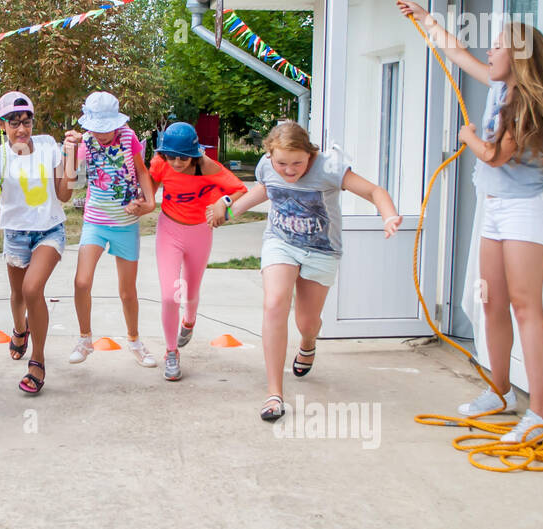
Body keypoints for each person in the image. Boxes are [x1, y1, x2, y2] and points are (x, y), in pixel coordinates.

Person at [397, 0, 543, 442]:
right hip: (495, 207)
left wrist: (466, 136)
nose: (489, 54)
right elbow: (459, 55)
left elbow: (495, 155)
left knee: (525, 306)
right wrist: (427, 21)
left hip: (524, 211)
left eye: (497, 48)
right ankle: (500, 391)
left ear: (517, 59)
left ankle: (541, 413)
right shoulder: (501, 89)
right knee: (490, 301)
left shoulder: (526, 105)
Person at [222, 120, 400, 422]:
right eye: (281, 163)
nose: (289, 171)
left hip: (321, 249)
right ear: (269, 155)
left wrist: (389, 215)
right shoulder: (267, 165)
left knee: (306, 321)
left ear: (310, 154)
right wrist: (227, 210)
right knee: (275, 303)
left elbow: (373, 191)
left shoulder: (328, 167)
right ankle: (274, 393)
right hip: (281, 242)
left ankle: (308, 343)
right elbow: (265, 190)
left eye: (297, 163)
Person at [0, 91, 74, 395]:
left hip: (49, 231)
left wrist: (70, 158)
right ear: (1, 124)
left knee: (32, 289)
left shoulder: (49, 148)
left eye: (26, 122)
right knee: (18, 294)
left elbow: (65, 195)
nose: (21, 130)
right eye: (13, 123)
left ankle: (38, 361)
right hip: (15, 234)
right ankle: (20, 329)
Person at [61, 91, 157, 368]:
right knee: (81, 281)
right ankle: (84, 339)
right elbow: (69, 179)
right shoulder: (85, 142)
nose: (102, 135)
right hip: (95, 221)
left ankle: (135, 341)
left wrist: (150, 203)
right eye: (96, 129)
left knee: (127, 291)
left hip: (126, 223)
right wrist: (68, 151)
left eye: (107, 129)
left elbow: (141, 171)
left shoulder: (128, 136)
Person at [148, 123, 247, 381]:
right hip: (169, 230)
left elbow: (240, 190)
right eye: (172, 156)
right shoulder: (160, 163)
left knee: (191, 292)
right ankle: (171, 352)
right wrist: (141, 197)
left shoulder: (207, 166)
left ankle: (189, 321)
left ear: (193, 154)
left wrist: (221, 202)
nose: (177, 162)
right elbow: (148, 185)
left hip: (200, 232)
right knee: (170, 297)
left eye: (183, 157)